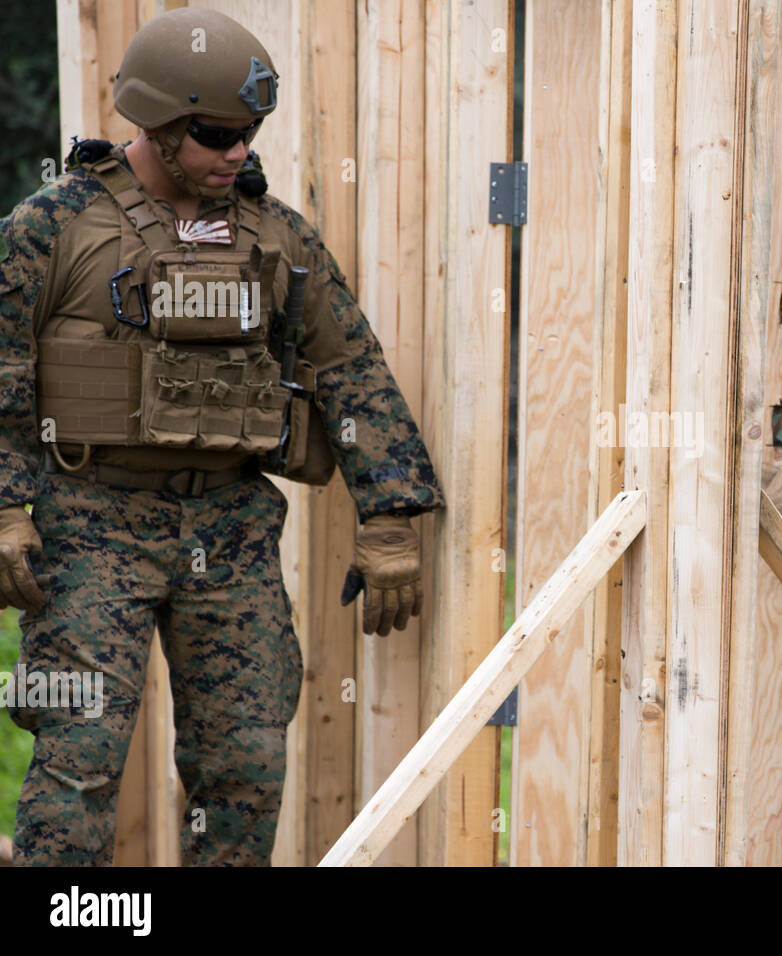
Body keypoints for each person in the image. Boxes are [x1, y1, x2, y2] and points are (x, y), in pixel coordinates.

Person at [0, 8, 443, 865]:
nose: (237, 151)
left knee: (244, 759)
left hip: (229, 528)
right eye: (214, 134)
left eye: (248, 133)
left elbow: (349, 367)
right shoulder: (52, 227)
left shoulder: (273, 234)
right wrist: (8, 506)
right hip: (89, 522)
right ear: (157, 125)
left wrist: (390, 511)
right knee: (78, 761)